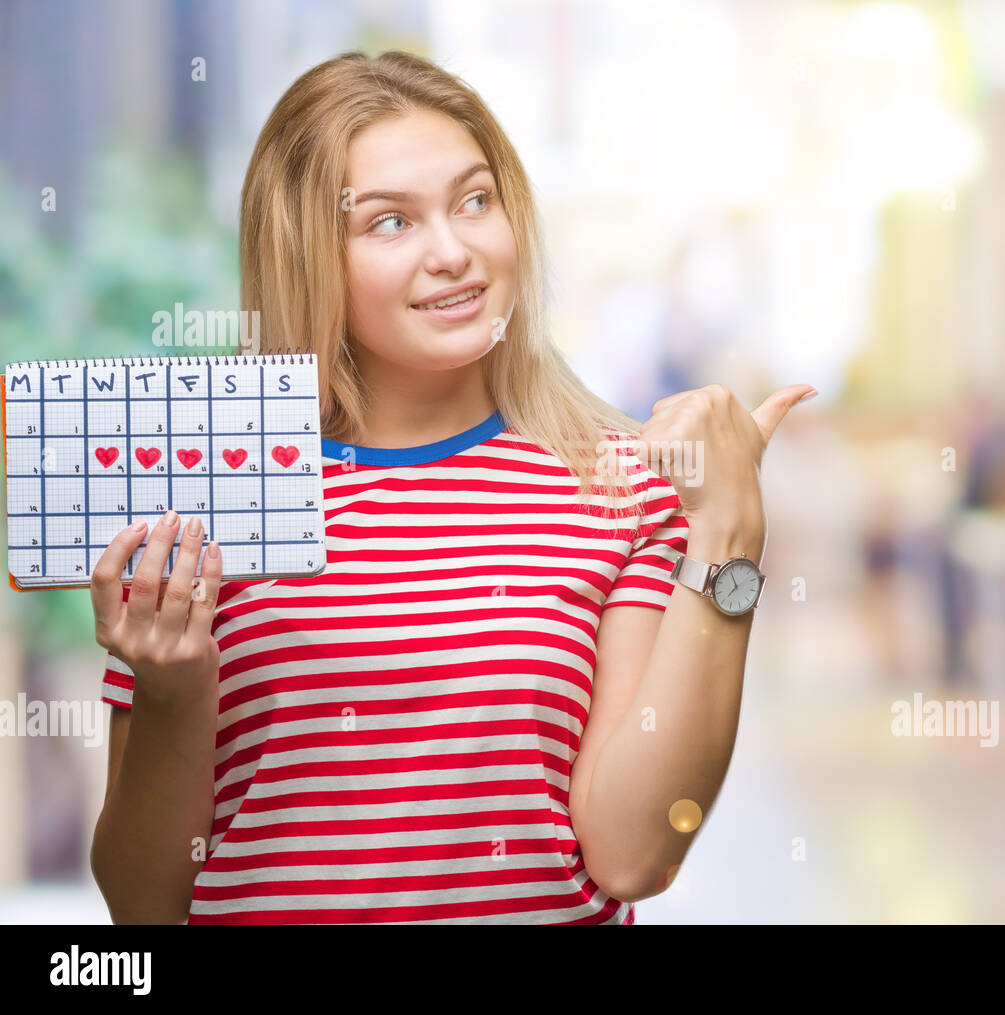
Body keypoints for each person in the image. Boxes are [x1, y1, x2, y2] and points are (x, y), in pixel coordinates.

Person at [87, 50, 814, 925]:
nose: (454, 252)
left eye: (476, 201)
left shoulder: (620, 489)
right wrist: (171, 689)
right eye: (390, 223)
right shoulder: (208, 489)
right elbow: (140, 904)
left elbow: (636, 851)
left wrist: (728, 540)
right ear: (308, 254)